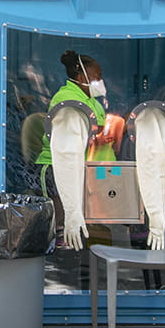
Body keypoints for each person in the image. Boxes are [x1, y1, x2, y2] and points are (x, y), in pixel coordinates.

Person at [35, 50, 111, 251]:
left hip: (85, 166)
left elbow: (98, 131)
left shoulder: (93, 102)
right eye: (97, 76)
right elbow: (68, 146)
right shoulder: (66, 100)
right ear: (81, 77)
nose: (100, 80)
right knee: (62, 227)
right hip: (56, 166)